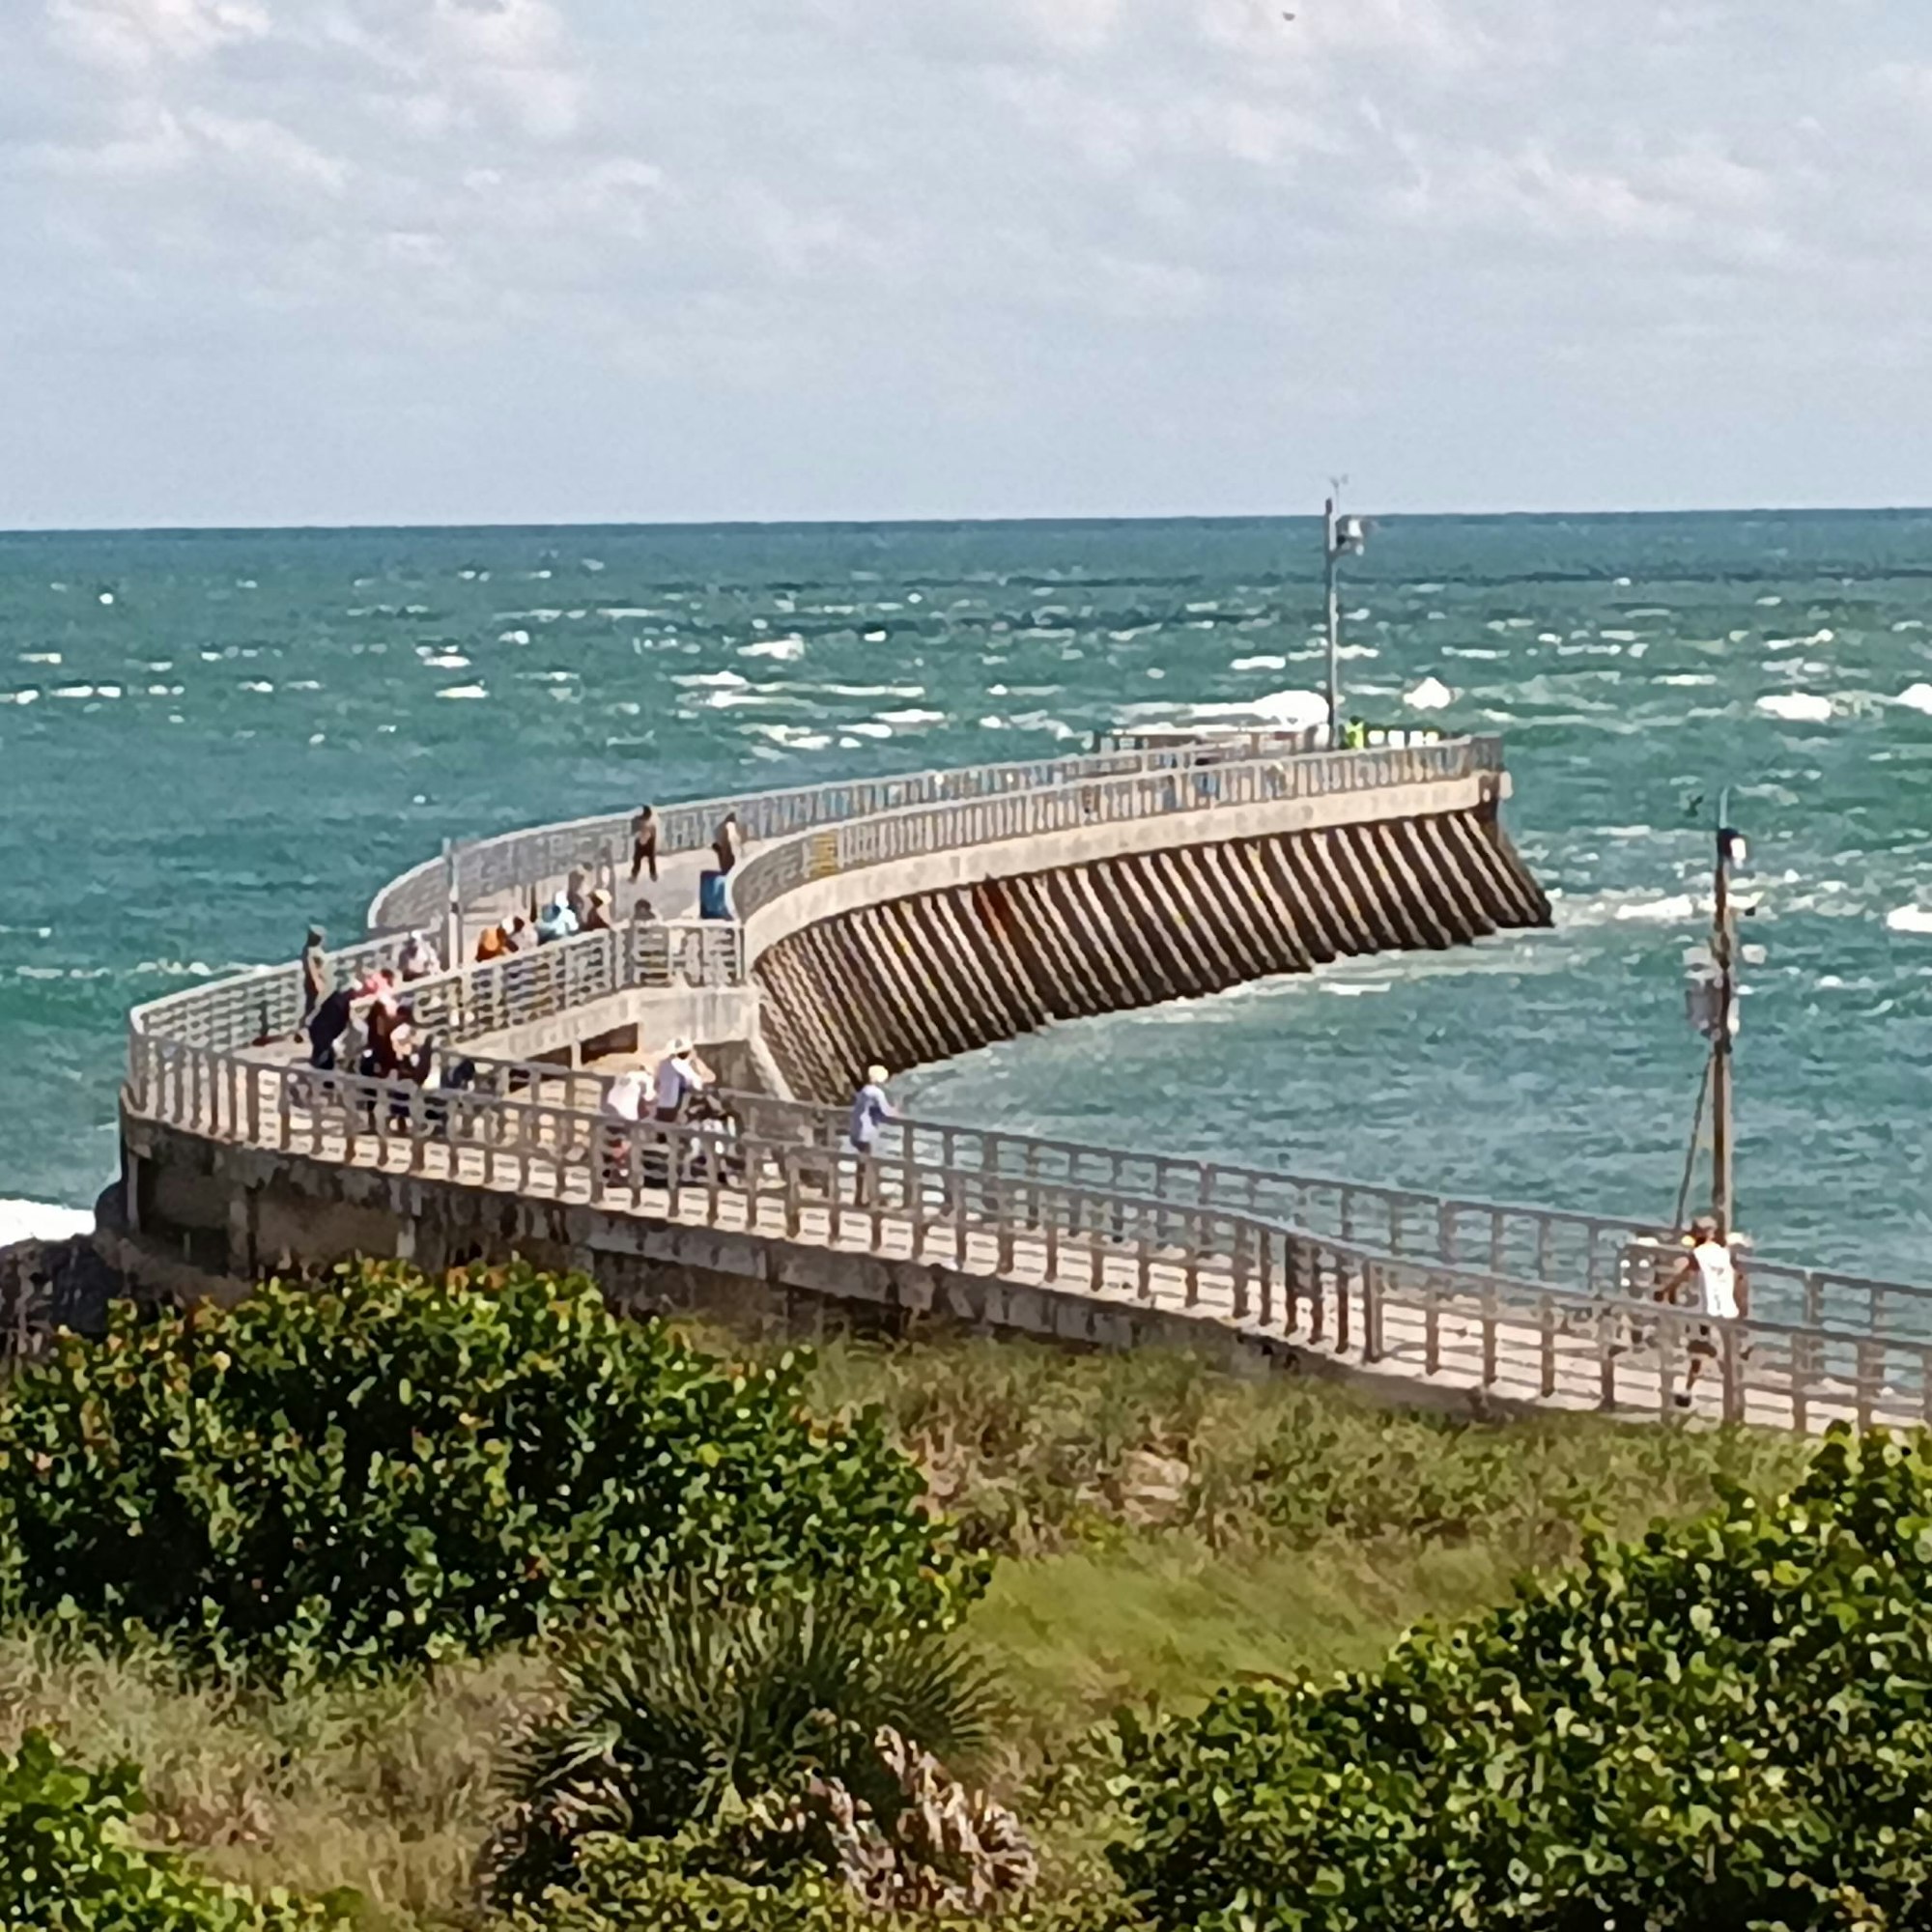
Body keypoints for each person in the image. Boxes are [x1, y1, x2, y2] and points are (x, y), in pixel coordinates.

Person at [1661, 1214, 1748, 1406]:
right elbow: (1738, 1279)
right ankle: (1725, 1388)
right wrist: (1741, 1304)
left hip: (1703, 1311)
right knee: (1709, 1350)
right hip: (1720, 1309)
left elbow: (1683, 1276)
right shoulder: (1723, 1254)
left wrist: (1667, 1290)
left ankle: (1725, 1388)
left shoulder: (1700, 1254)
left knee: (1705, 1349)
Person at [848, 1063, 895, 1206]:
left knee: (863, 1165)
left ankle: (861, 1196)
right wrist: (897, 1110)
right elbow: (887, 1112)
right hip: (866, 1133)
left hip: (855, 1132)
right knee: (869, 1165)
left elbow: (870, 1110)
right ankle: (868, 1199)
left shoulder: (863, 1091)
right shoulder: (876, 1093)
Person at [600, 1068, 647, 1182]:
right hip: (627, 1123)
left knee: (615, 1143)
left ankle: (612, 1167)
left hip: (612, 1122)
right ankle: (621, 1167)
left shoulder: (615, 1089)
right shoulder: (636, 1087)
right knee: (627, 1143)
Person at [653, 1038, 708, 1123]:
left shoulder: (662, 1063)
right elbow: (687, 1086)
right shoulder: (681, 1066)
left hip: (660, 1108)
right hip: (672, 1109)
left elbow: (656, 1083)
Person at [299, 927, 328, 1027]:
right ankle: (309, 1025)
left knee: (315, 1004)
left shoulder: (311, 949)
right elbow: (311, 966)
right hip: (313, 982)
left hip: (318, 980)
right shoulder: (310, 951)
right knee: (314, 1005)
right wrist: (317, 981)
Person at [631, 804, 660, 884]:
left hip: (648, 845)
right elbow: (634, 833)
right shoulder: (639, 822)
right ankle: (635, 876)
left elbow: (652, 836)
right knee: (637, 861)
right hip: (641, 845)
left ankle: (652, 874)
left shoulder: (651, 825)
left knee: (650, 860)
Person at [712, 810, 741, 876]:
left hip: (728, 866)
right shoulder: (726, 832)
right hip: (729, 866)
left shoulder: (723, 832)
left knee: (726, 852)